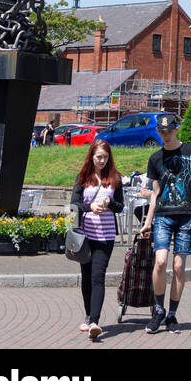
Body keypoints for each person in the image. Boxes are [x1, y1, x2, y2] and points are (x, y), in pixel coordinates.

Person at [141, 112, 191, 334]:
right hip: (163, 215)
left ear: (176, 129)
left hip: (185, 215)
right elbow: (155, 193)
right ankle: (158, 310)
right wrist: (148, 221)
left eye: (170, 130)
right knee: (160, 262)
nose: (166, 135)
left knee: (179, 266)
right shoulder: (155, 158)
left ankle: (172, 314)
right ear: (158, 132)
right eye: (162, 132)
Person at [70, 139, 125, 341]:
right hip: (85, 235)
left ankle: (94, 321)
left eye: (105, 157)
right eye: (98, 157)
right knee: (86, 277)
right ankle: (87, 314)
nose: (102, 160)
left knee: (97, 276)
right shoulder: (83, 177)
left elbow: (121, 206)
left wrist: (110, 203)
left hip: (106, 235)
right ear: (91, 157)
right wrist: (90, 207)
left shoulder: (115, 178)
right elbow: (73, 205)